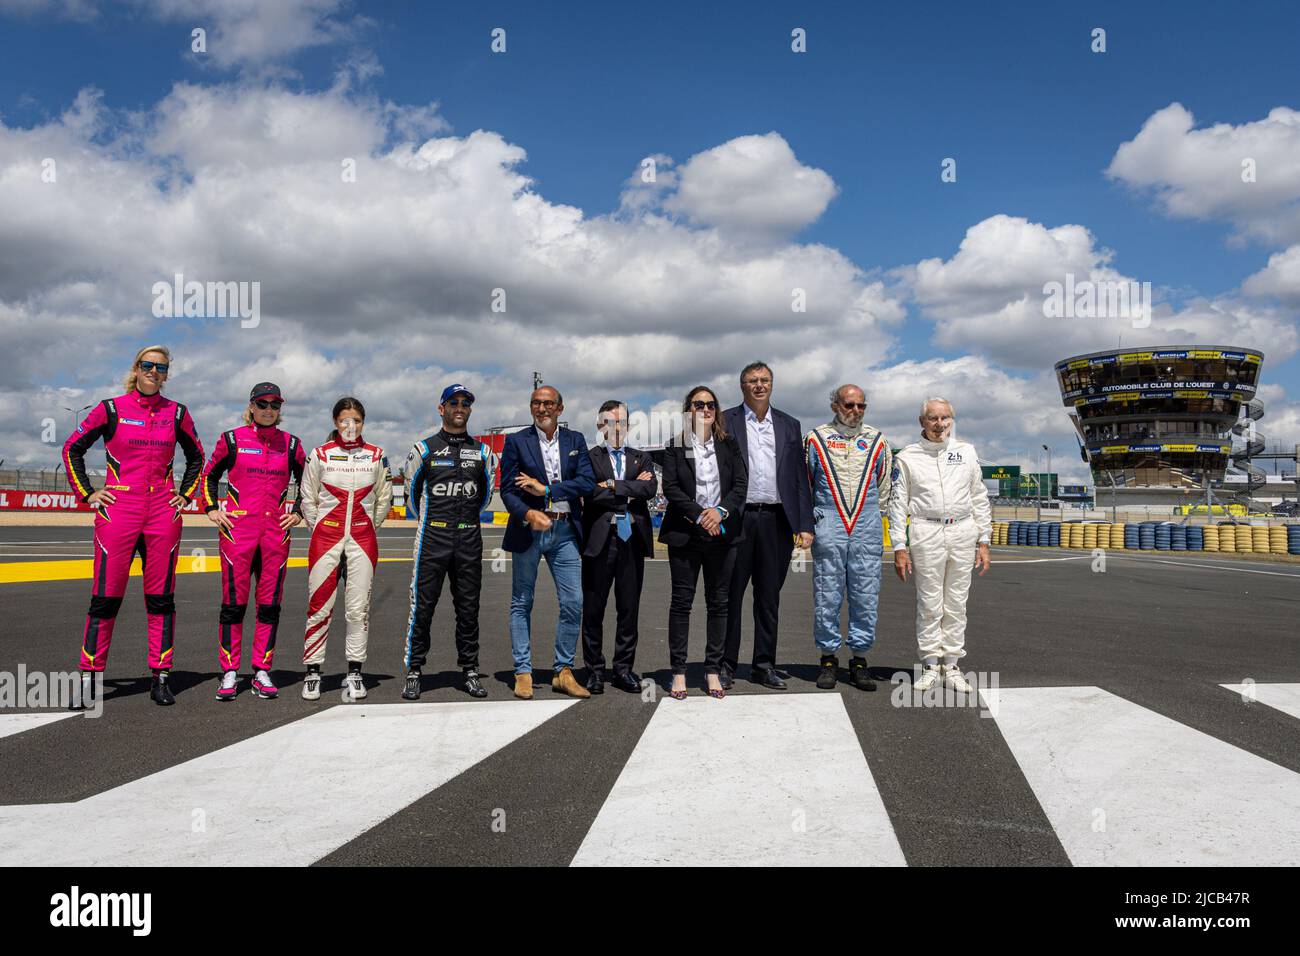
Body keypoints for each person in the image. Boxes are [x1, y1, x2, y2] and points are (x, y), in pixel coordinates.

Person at [61, 345, 205, 706]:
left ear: (167, 373)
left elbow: (197, 457)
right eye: (148, 365)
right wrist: (90, 494)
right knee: (105, 599)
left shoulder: (177, 413)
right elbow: (71, 449)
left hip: (162, 514)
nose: (154, 372)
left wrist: (184, 495)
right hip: (119, 512)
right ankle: (91, 678)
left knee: (160, 600)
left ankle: (161, 676)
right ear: (136, 369)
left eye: (161, 367)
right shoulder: (111, 409)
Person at [201, 383, 306, 701]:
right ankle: (229, 671)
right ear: (251, 406)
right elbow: (209, 476)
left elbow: (309, 483)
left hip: (275, 534)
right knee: (233, 604)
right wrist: (211, 509)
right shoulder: (231, 439)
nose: (269, 409)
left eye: (275, 404)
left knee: (269, 605)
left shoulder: (291, 445)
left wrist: (299, 512)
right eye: (263, 404)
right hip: (238, 533)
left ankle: (262, 669)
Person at [889, 397, 992, 693]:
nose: (939, 424)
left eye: (945, 418)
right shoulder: (908, 457)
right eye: (933, 418)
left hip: (962, 530)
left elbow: (978, 497)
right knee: (930, 602)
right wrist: (899, 546)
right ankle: (931, 664)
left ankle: (953, 664)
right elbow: (898, 505)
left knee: (957, 602)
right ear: (922, 421)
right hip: (926, 530)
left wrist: (983, 539)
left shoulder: (966, 452)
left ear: (952, 420)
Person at [499, 385, 596, 700]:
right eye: (536, 403)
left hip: (565, 531)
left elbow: (586, 482)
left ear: (560, 408)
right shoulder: (516, 441)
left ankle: (563, 671)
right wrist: (528, 512)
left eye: (548, 403)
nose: (542, 408)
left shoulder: (575, 440)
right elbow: (508, 491)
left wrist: (547, 491)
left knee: (573, 602)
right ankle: (523, 671)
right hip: (529, 530)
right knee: (521, 602)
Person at [401, 384, 496, 700]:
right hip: (433, 536)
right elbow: (412, 498)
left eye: (465, 403)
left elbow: (483, 497)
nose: (460, 407)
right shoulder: (423, 449)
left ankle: (469, 670)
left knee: (468, 608)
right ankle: (414, 670)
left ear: (470, 410)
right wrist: (435, 521)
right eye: (453, 402)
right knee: (423, 607)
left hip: (469, 536)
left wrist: (463, 519)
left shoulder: (483, 452)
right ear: (441, 408)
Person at [722, 361, 814, 689]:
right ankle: (725, 665)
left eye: (764, 380)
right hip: (738, 520)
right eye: (752, 381)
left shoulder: (790, 425)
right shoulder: (725, 421)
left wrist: (805, 524)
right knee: (730, 595)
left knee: (768, 597)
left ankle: (764, 665)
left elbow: (799, 478)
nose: (759, 385)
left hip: (776, 521)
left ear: (771, 385)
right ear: (742, 386)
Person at [299, 397, 393, 701]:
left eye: (356, 420)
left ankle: (354, 672)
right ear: (336, 422)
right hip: (325, 538)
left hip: (363, 540)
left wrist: (366, 528)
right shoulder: (320, 455)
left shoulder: (376, 456)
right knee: (319, 607)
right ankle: (313, 671)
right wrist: (321, 529)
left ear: (363, 423)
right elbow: (307, 499)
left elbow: (384, 500)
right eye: (344, 420)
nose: (350, 426)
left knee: (357, 609)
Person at [660, 385, 748, 700]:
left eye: (710, 404)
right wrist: (701, 515)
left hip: (723, 533)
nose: (706, 409)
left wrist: (720, 512)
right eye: (699, 404)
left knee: (719, 603)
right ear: (689, 410)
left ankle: (713, 669)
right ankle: (679, 672)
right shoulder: (675, 446)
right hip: (686, 533)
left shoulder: (729, 445)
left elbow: (740, 484)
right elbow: (670, 488)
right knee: (682, 603)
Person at [806, 385, 892, 691]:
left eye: (860, 406)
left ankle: (859, 659)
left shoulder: (877, 439)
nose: (855, 411)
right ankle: (828, 658)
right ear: (834, 405)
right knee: (827, 592)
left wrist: (871, 516)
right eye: (848, 405)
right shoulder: (816, 438)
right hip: (829, 518)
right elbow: (806, 482)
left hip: (866, 520)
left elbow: (883, 486)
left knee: (866, 594)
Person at [580, 401, 657, 695]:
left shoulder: (642, 458)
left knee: (629, 608)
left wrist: (611, 484)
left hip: (632, 540)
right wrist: (627, 486)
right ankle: (594, 671)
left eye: (622, 422)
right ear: (601, 426)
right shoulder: (588, 458)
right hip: (600, 539)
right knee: (594, 609)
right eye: (610, 422)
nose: (617, 428)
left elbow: (649, 490)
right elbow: (590, 492)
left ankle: (623, 669)